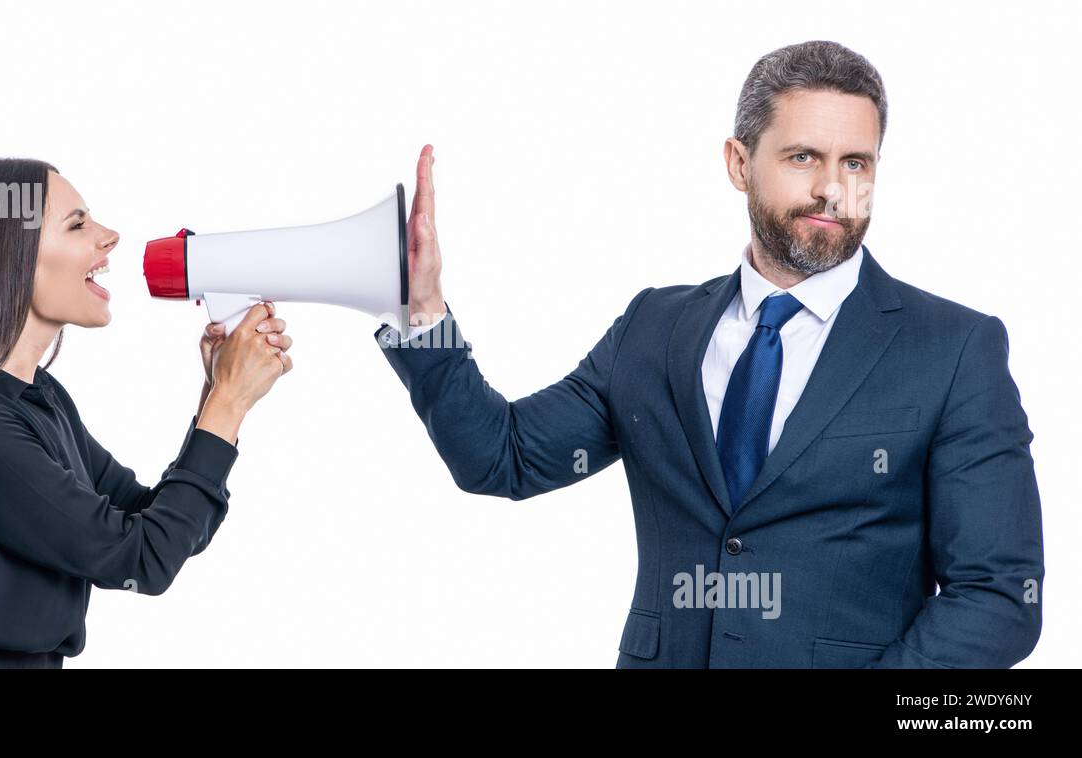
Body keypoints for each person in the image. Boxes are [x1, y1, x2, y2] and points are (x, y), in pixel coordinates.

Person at [378, 41, 1044, 668]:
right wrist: (425, 312)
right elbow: (504, 457)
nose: (833, 191)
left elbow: (996, 598)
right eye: (804, 157)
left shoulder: (953, 349)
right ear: (739, 163)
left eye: (856, 163)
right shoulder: (653, 328)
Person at [0, 158, 291, 668]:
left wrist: (216, 396)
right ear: (10, 258)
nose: (109, 237)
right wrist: (229, 403)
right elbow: (144, 559)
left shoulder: (40, 399)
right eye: (78, 224)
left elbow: (161, 528)